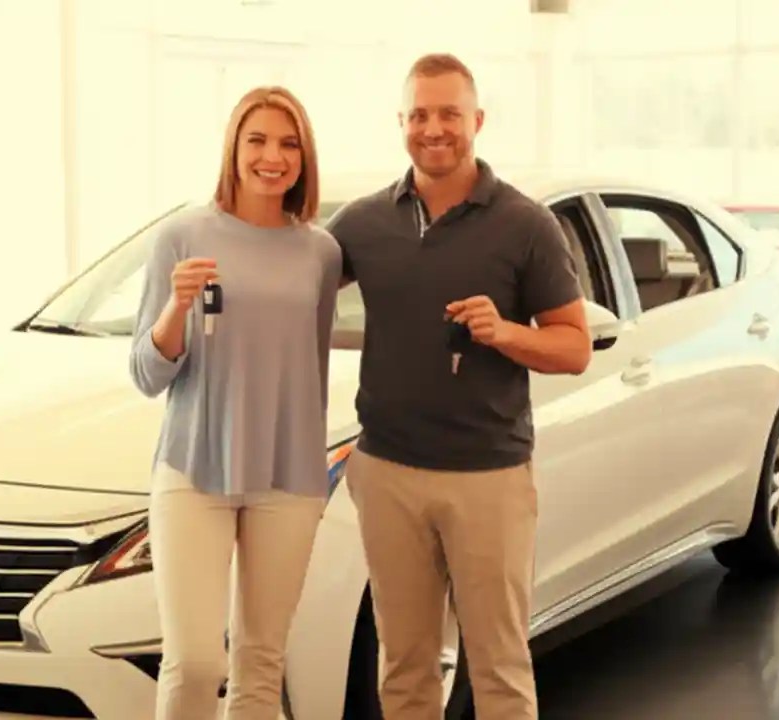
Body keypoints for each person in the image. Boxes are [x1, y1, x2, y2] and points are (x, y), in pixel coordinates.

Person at [325, 53, 592, 719]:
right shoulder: (363, 223)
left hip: (488, 479)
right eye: (420, 114)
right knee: (404, 666)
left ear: (477, 120)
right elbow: (287, 286)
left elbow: (575, 346)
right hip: (387, 474)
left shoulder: (525, 224)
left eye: (449, 113)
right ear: (401, 123)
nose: (434, 128)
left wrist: (505, 333)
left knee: (498, 667)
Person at [128, 85, 341, 720]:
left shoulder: (321, 252)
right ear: (233, 147)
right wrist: (176, 308)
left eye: (288, 143)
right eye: (258, 140)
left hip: (289, 476)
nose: (272, 156)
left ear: (304, 157)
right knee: (194, 663)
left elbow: (313, 365)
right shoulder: (182, 234)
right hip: (194, 467)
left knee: (260, 662)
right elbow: (146, 373)